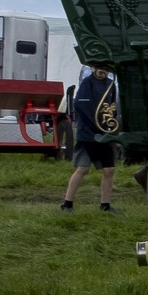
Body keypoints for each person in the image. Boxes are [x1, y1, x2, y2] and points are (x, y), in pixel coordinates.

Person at [61, 63, 119, 214]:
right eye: (100, 68)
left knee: (109, 169)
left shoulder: (110, 84)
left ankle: (105, 205)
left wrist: (109, 124)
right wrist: (96, 123)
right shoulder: (87, 82)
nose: (102, 71)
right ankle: (67, 204)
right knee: (83, 169)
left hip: (104, 133)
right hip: (88, 133)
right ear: (93, 68)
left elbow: (112, 106)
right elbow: (81, 105)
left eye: (106, 69)